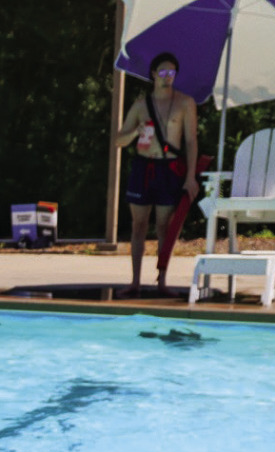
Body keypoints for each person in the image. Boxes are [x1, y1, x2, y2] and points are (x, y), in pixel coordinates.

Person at [111, 51, 199, 297]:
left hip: (168, 168)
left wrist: (190, 176)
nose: (167, 77)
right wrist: (135, 133)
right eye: (163, 72)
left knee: (164, 226)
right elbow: (119, 140)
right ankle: (135, 281)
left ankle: (162, 280)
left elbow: (191, 141)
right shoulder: (141, 105)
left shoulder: (185, 103)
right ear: (153, 73)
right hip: (143, 167)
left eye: (172, 72)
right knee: (138, 225)